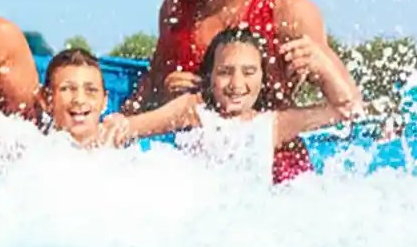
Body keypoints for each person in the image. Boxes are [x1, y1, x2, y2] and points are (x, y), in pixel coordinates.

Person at [123, 0, 361, 176]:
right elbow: (148, 91)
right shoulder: (178, 6)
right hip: (200, 169)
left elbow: (352, 108)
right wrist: (162, 96)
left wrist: (320, 66)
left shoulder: (289, 12)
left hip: (275, 170)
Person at [125, 27, 361, 182]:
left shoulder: (273, 124)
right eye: (225, 72)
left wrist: (323, 66)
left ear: (262, 78)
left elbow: (346, 110)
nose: (237, 84)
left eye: (249, 72)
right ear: (210, 77)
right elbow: (132, 126)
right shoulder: (194, 110)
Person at [39, 48, 130, 148]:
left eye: (91, 90)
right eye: (67, 89)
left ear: (105, 101)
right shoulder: (34, 148)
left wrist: (128, 125)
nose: (79, 99)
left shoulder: (118, 152)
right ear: (47, 99)